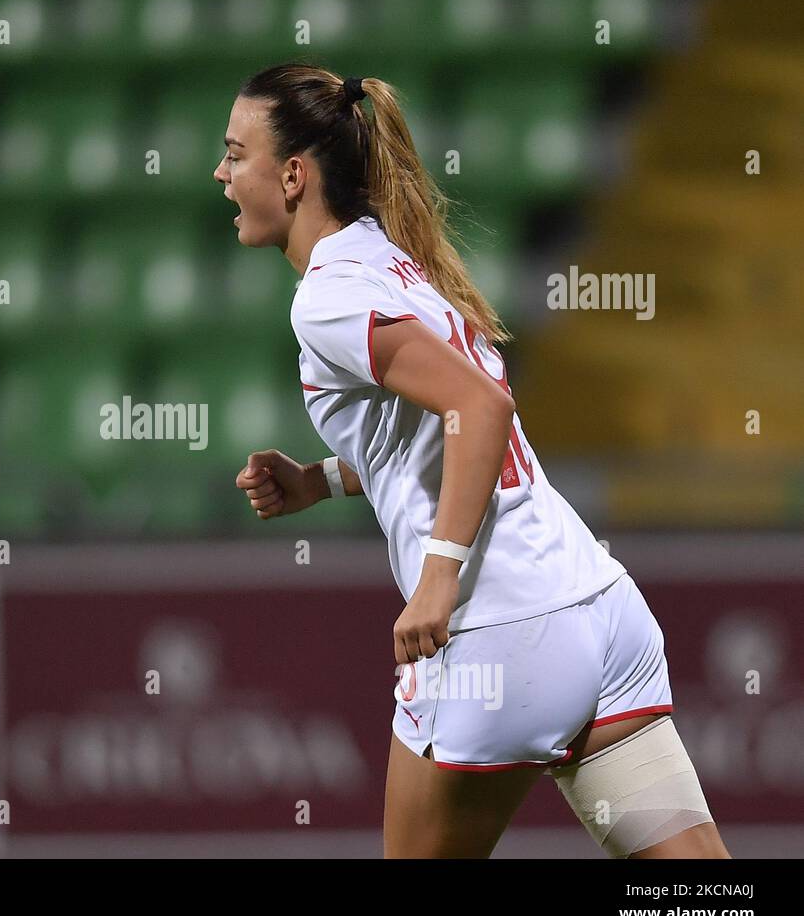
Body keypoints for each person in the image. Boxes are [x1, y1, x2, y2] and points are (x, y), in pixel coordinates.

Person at [216, 61, 730, 859]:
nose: (220, 173)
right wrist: (321, 479)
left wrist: (438, 577)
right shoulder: (390, 257)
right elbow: (438, 429)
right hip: (597, 609)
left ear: (291, 175)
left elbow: (482, 409)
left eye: (233, 153)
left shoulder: (328, 296)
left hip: (497, 634)